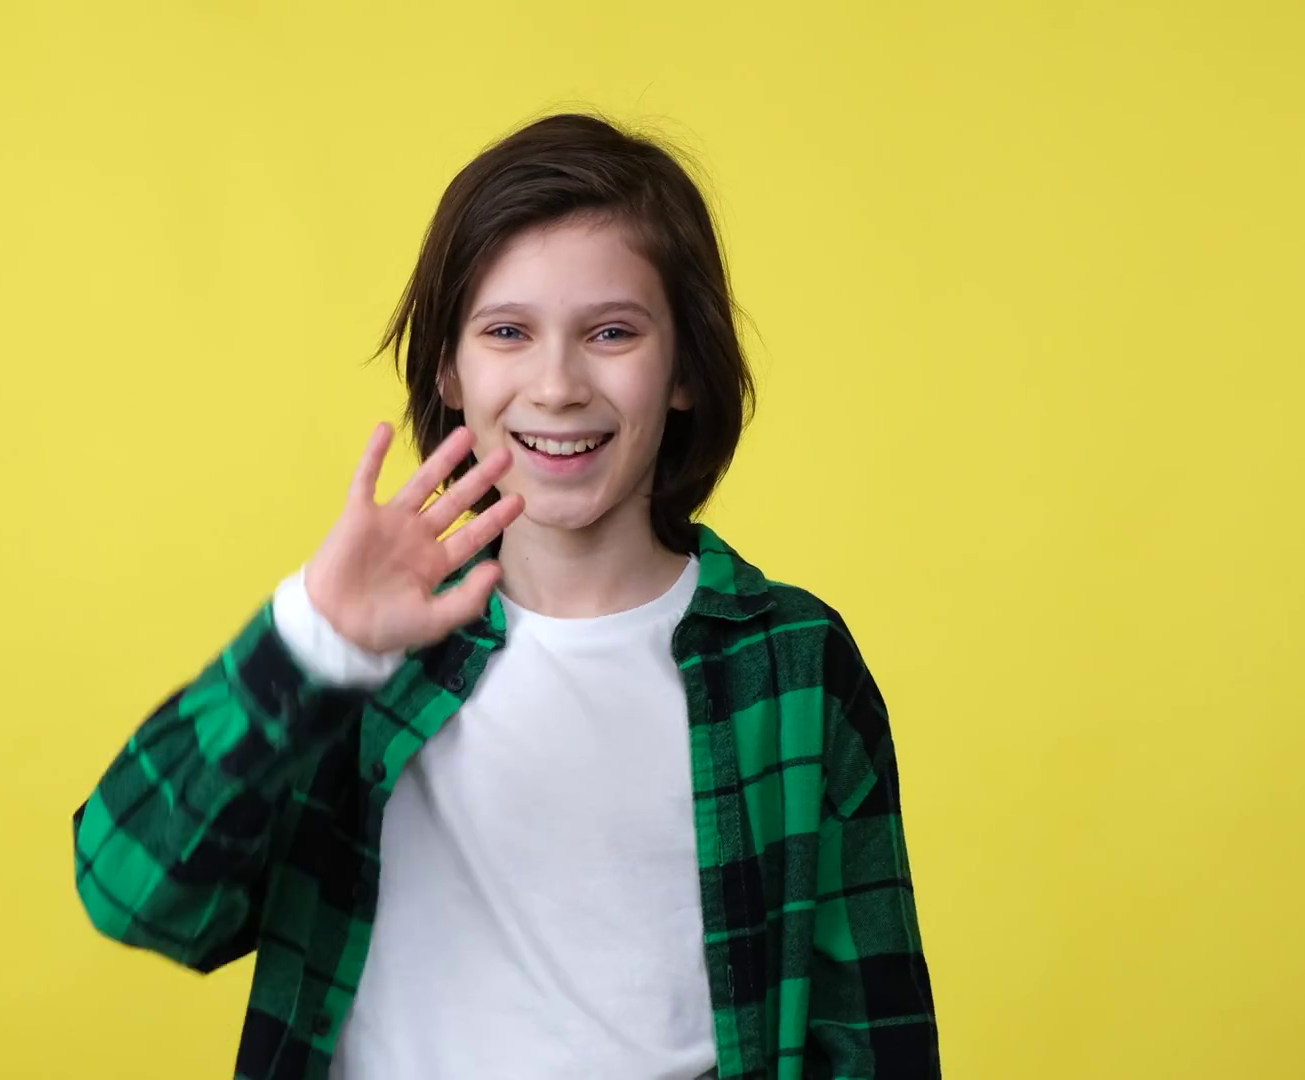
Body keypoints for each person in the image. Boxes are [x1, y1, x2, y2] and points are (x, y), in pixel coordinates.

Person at [72, 112, 941, 1080]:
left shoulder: (793, 665)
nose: (558, 384)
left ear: (686, 368)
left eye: (612, 332)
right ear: (450, 368)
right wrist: (313, 640)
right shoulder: (363, 657)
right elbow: (132, 890)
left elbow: (877, 1041)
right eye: (508, 332)